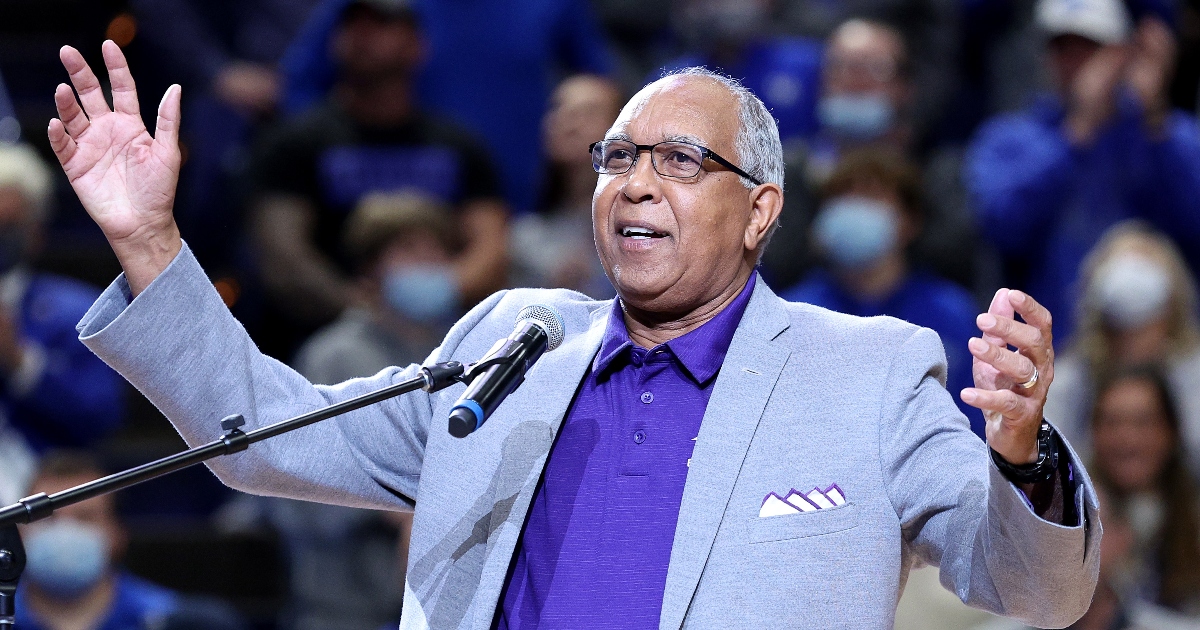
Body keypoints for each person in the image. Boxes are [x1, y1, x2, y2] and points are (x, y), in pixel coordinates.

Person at [52, 43, 1099, 628]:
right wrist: (148, 239)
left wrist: (1023, 456)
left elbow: (1039, 588)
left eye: (681, 161)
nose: (635, 182)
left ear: (764, 210)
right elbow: (269, 435)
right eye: (616, 157)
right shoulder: (514, 345)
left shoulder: (868, 372)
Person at [247, 0, 508, 360]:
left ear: (417, 45)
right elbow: (283, 257)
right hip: (324, 347)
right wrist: (362, 307)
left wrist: (442, 291)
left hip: (441, 344)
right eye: (353, 24)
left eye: (383, 24)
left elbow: (491, 248)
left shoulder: (459, 146)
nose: (363, 35)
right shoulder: (294, 145)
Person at [965, 0, 1200, 343]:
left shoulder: (1166, 133)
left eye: (1091, 49)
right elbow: (1003, 228)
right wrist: (1078, 131)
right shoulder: (1009, 138)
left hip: (1160, 349)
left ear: (1122, 54)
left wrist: (1155, 119)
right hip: (1054, 347)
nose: (1076, 64)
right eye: (1062, 48)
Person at [280, 0, 615, 212]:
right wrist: (348, 163)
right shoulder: (379, 11)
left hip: (521, 207)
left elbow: (603, 88)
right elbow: (300, 86)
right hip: (401, 210)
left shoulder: (554, 5)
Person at [759, 18, 979, 294]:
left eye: (876, 69)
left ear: (905, 88)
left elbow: (956, 261)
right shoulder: (789, 171)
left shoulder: (937, 171)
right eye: (841, 67)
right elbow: (776, 265)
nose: (856, 81)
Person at [781, 149, 984, 438]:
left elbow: (973, 428)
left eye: (872, 197)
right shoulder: (792, 312)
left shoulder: (951, 315)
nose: (853, 209)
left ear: (910, 221)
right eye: (842, 197)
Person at [14, 451, 249, 630]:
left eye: (85, 518)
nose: (65, 530)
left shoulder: (187, 623)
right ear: (20, 533)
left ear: (117, 533)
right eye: (47, 519)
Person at [1043, 222, 1200, 477]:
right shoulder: (1065, 383)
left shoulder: (1193, 375)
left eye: (1146, 323)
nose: (1133, 343)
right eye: (1121, 328)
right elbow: (1045, 473)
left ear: (1170, 313)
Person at [0, 143, 123, 451]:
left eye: (8, 226)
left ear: (36, 234)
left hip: (46, 481)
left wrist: (19, 360)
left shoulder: (80, 312)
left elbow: (102, 413)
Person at [509, 75, 621, 298]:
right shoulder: (524, 237)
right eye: (559, 109)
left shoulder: (640, 227)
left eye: (588, 112)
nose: (569, 123)